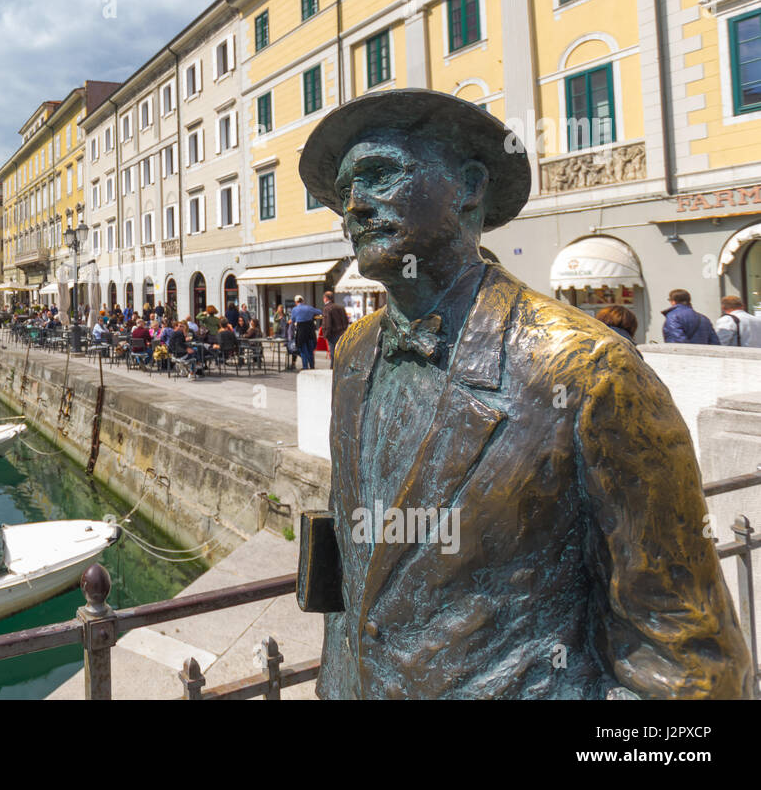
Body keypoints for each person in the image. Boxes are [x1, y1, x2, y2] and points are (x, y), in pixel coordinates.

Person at [296, 87, 750, 699]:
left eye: (380, 175)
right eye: (343, 192)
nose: (353, 205)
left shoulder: (586, 370)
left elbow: (690, 660)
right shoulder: (355, 352)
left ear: (471, 185)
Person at [289, 295, 321, 370]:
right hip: (310, 331)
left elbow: (293, 319)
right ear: (303, 301)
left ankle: (305, 366)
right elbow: (319, 312)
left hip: (301, 331)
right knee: (310, 349)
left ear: (296, 302)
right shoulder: (309, 308)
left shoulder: (294, 309)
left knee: (303, 350)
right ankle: (312, 366)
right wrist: (312, 316)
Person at [320, 290, 351, 366]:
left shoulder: (327, 308)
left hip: (332, 333)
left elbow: (327, 323)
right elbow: (346, 321)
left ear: (326, 298)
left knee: (333, 352)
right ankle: (341, 367)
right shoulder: (340, 307)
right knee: (341, 351)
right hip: (341, 333)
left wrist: (326, 334)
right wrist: (343, 329)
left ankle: (334, 368)